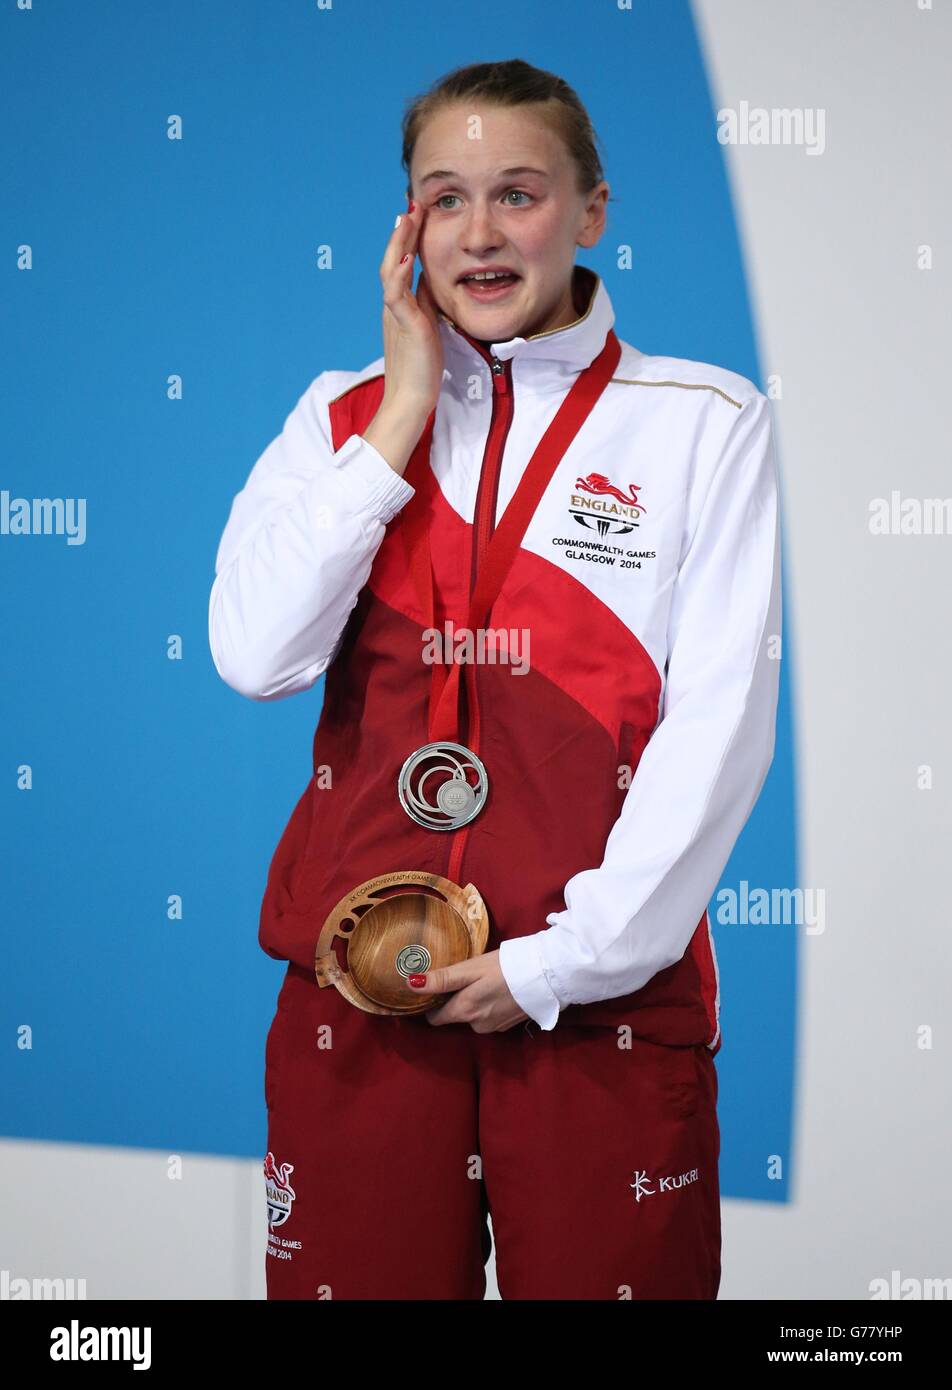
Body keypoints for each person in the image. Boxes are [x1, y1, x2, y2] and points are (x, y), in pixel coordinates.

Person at [208, 58, 782, 1301]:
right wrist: (402, 414)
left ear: (590, 211)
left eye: (517, 193)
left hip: (595, 1007)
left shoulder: (701, 420)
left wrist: (562, 963)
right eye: (444, 196)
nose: (478, 233)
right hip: (365, 1000)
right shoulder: (340, 415)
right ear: (406, 219)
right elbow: (255, 656)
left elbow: (721, 725)